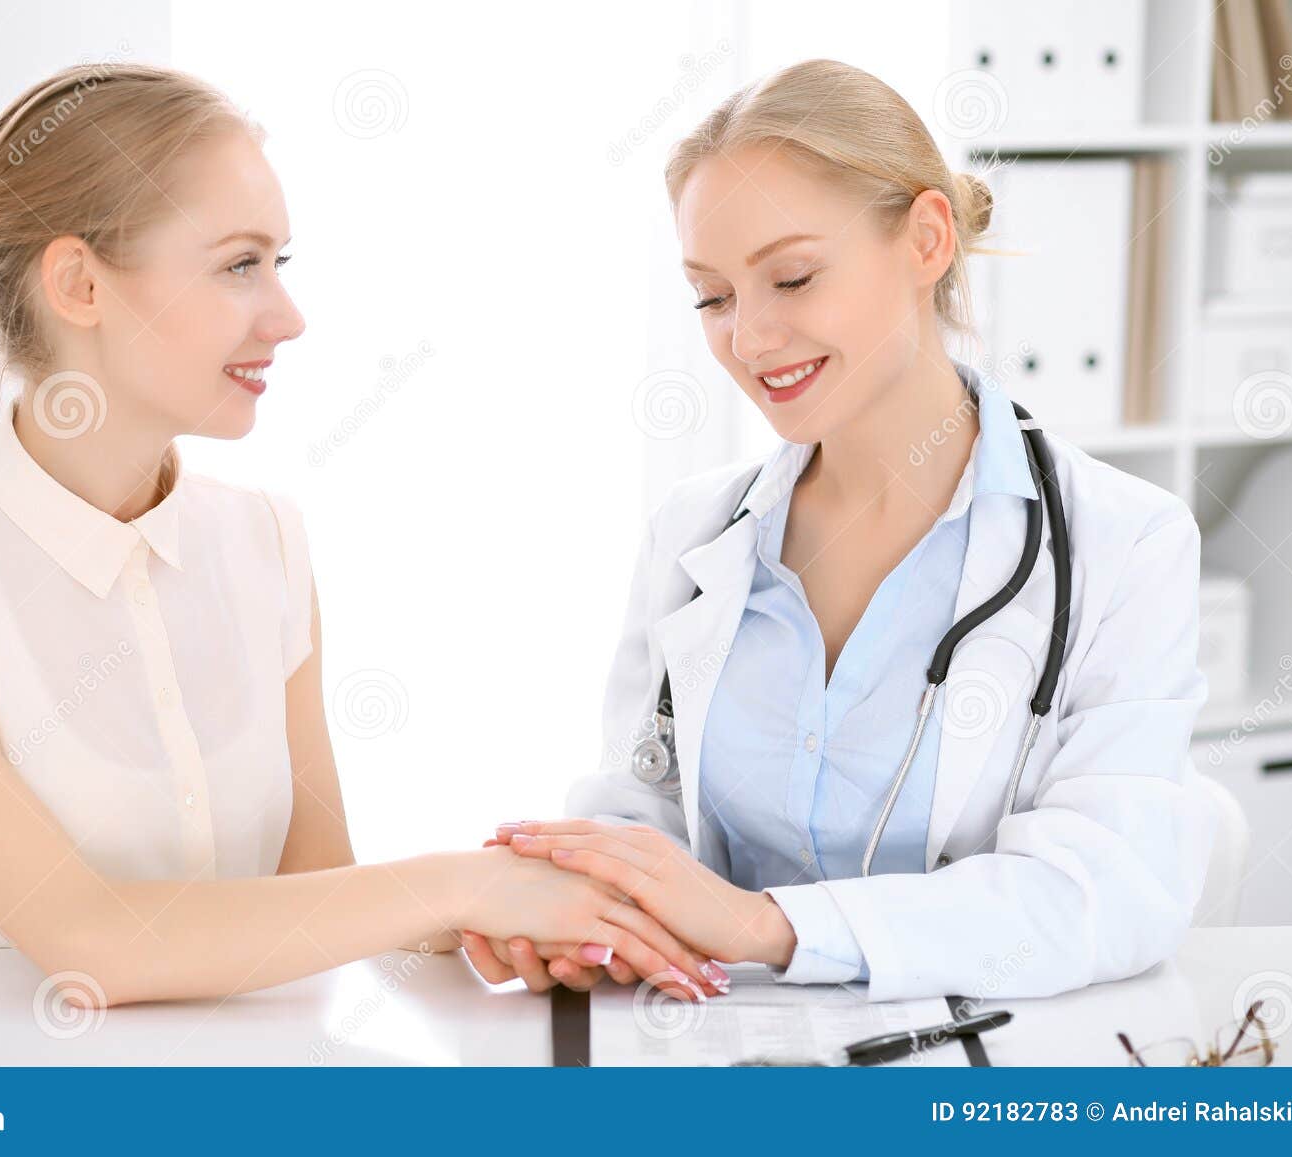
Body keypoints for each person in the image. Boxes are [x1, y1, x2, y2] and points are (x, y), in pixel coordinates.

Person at [0, 63, 726, 1008]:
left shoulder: (262, 541)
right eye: (238, 264)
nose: (289, 315)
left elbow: (309, 887)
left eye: (281, 264)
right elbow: (91, 942)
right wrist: (463, 885)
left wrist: (530, 915)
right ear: (79, 283)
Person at [493, 59, 1214, 1002]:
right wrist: (585, 912)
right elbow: (643, 804)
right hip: (716, 1054)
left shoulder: (1126, 543)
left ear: (925, 240)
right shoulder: (696, 535)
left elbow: (1105, 888)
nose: (748, 340)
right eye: (712, 297)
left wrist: (772, 926)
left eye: (791, 278)